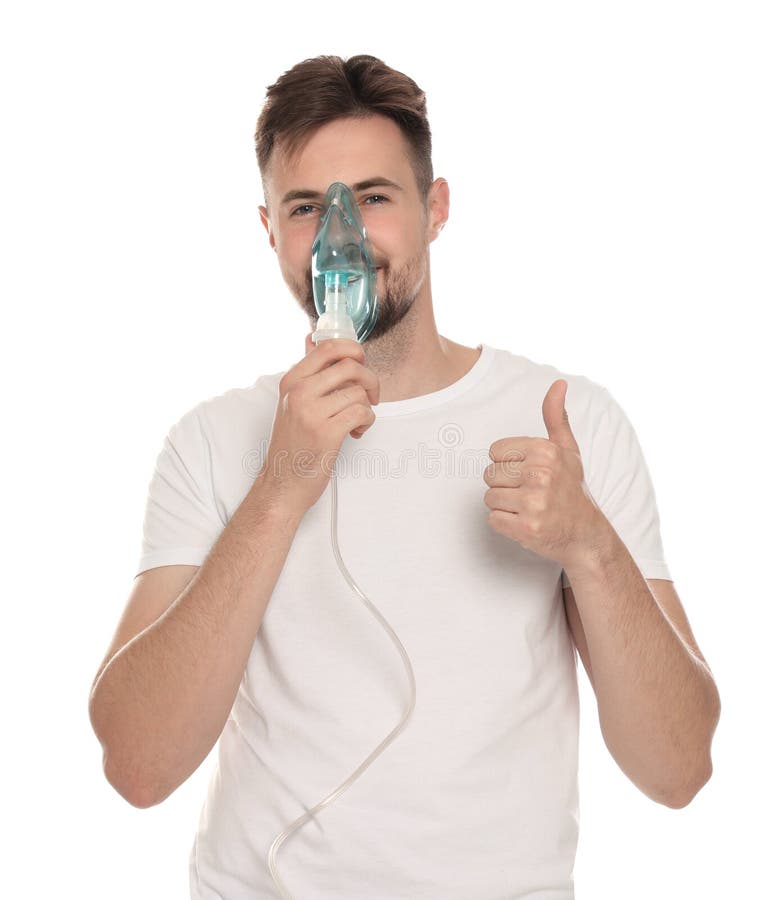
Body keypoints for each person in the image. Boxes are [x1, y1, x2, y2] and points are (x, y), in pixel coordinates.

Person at [88, 54, 721, 900]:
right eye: (308, 206)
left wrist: (589, 547)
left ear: (437, 209)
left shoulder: (563, 420)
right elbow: (138, 765)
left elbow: (678, 770)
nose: (341, 233)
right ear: (270, 229)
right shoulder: (211, 441)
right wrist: (280, 486)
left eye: (375, 197)